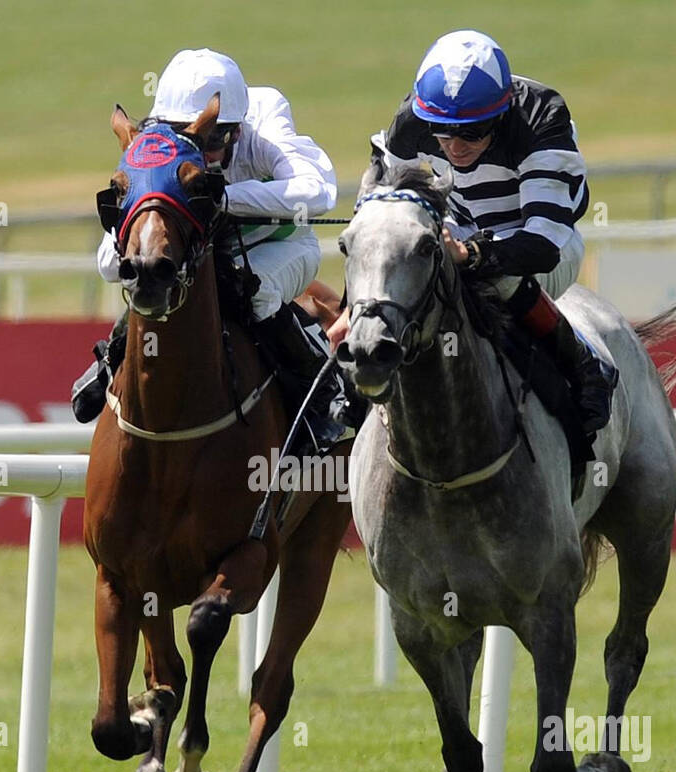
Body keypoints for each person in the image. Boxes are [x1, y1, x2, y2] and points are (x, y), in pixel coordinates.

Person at [332, 29, 616, 492]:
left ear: (501, 114)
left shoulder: (542, 117)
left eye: (472, 132)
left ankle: (583, 365)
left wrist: (473, 254)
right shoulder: (413, 121)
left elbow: (542, 241)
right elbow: (375, 228)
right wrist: (353, 308)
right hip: (461, 227)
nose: (455, 146)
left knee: (495, 285)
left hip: (546, 239)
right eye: (444, 132)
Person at [73, 48, 349, 445]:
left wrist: (221, 197)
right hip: (201, 251)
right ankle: (111, 359)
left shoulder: (264, 119)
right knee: (152, 276)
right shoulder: (154, 148)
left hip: (278, 247)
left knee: (255, 290)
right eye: (186, 134)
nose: (200, 149)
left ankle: (320, 394)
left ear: (237, 129)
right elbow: (107, 262)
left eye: (213, 136)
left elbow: (317, 191)